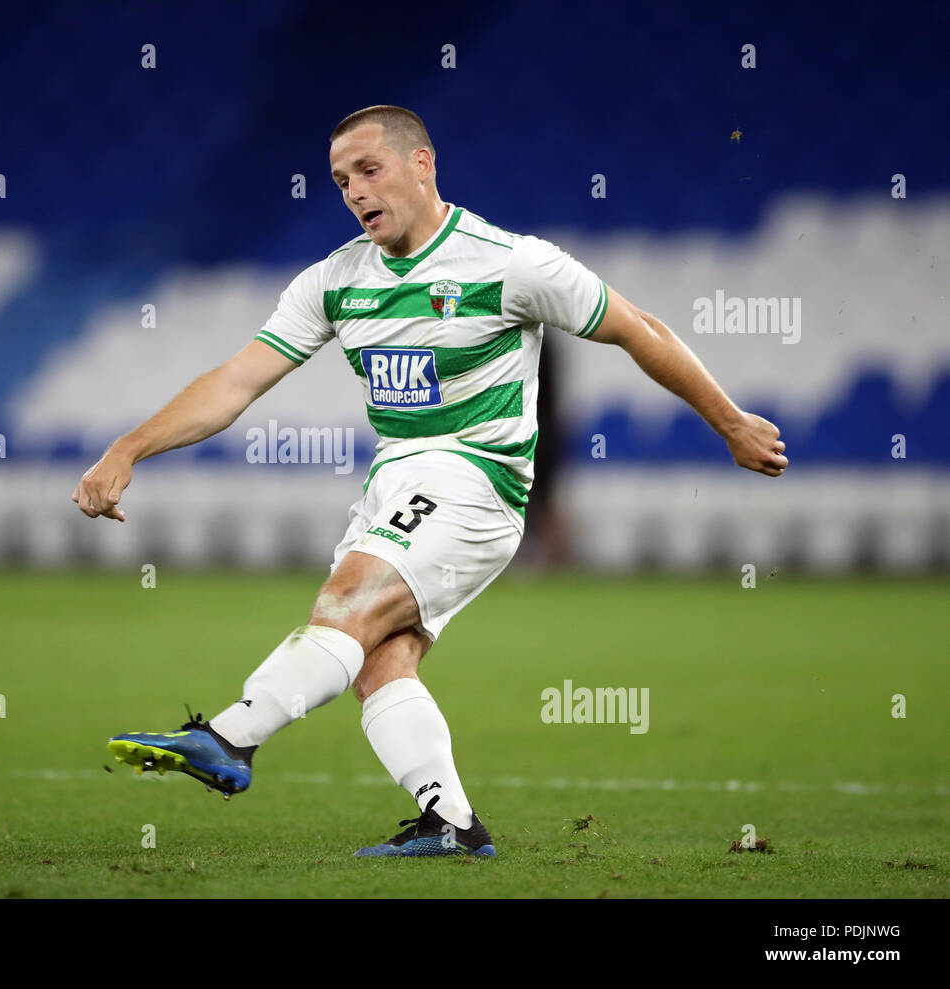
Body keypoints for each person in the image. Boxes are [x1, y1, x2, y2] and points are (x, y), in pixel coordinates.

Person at [74, 105, 788, 857]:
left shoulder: (510, 262)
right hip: (397, 482)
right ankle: (450, 823)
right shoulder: (335, 280)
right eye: (341, 179)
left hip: (478, 483)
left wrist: (730, 421)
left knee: (345, 602)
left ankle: (229, 737)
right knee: (378, 657)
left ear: (423, 165)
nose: (354, 191)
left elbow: (638, 328)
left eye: (369, 170)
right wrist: (129, 448)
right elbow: (234, 382)